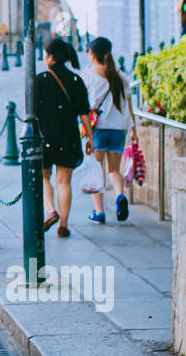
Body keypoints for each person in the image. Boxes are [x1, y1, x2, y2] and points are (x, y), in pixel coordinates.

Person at [35, 37, 94, 238]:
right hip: (69, 135)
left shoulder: (40, 79)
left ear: (51, 57)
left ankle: (50, 209)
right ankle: (63, 224)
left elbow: (32, 112)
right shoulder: (76, 80)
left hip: (45, 136)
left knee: (43, 177)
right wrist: (90, 138)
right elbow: (84, 113)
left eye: (44, 54)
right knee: (64, 181)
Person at [82, 36, 139, 225]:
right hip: (118, 129)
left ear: (93, 54)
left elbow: (85, 107)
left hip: (98, 130)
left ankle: (99, 212)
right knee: (114, 169)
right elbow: (129, 107)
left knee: (97, 172)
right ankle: (120, 196)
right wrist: (133, 130)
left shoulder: (89, 76)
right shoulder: (121, 77)